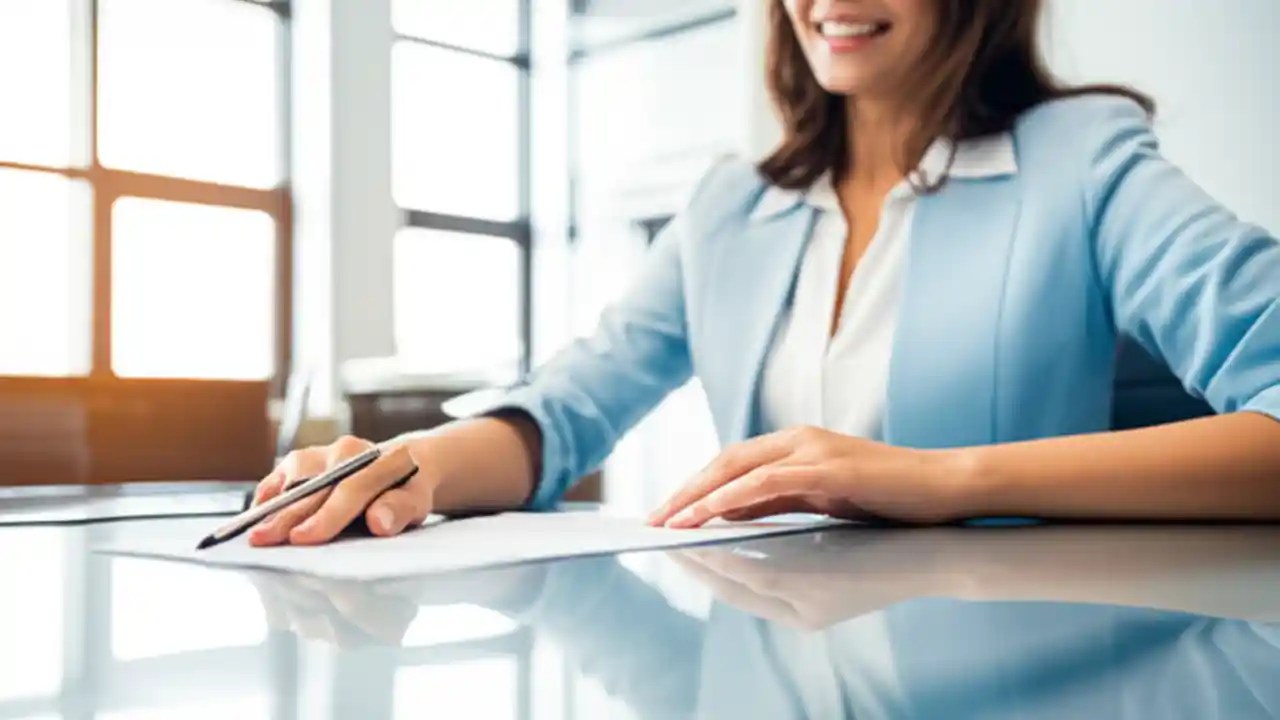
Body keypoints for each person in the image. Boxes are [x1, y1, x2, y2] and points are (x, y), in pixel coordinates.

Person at [247, 0, 1280, 547]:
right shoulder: (727, 207)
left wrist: (938, 480)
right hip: (775, 653)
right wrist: (414, 466)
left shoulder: (1081, 158)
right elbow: (563, 413)